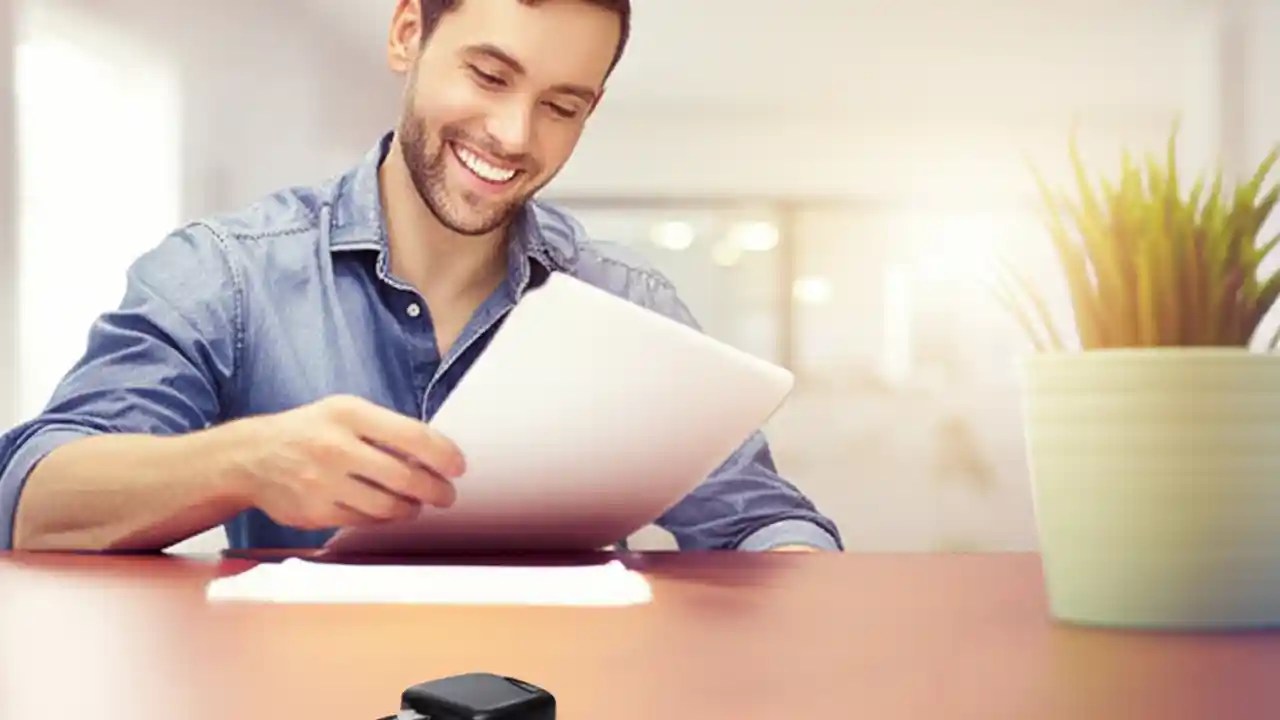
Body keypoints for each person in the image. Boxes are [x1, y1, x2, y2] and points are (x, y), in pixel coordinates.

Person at [0, 0, 842, 553]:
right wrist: (247, 461)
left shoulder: (629, 305)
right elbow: (35, 505)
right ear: (408, 34)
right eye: (488, 74)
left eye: (561, 106)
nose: (514, 134)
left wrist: (803, 579)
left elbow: (762, 522)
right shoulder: (226, 274)